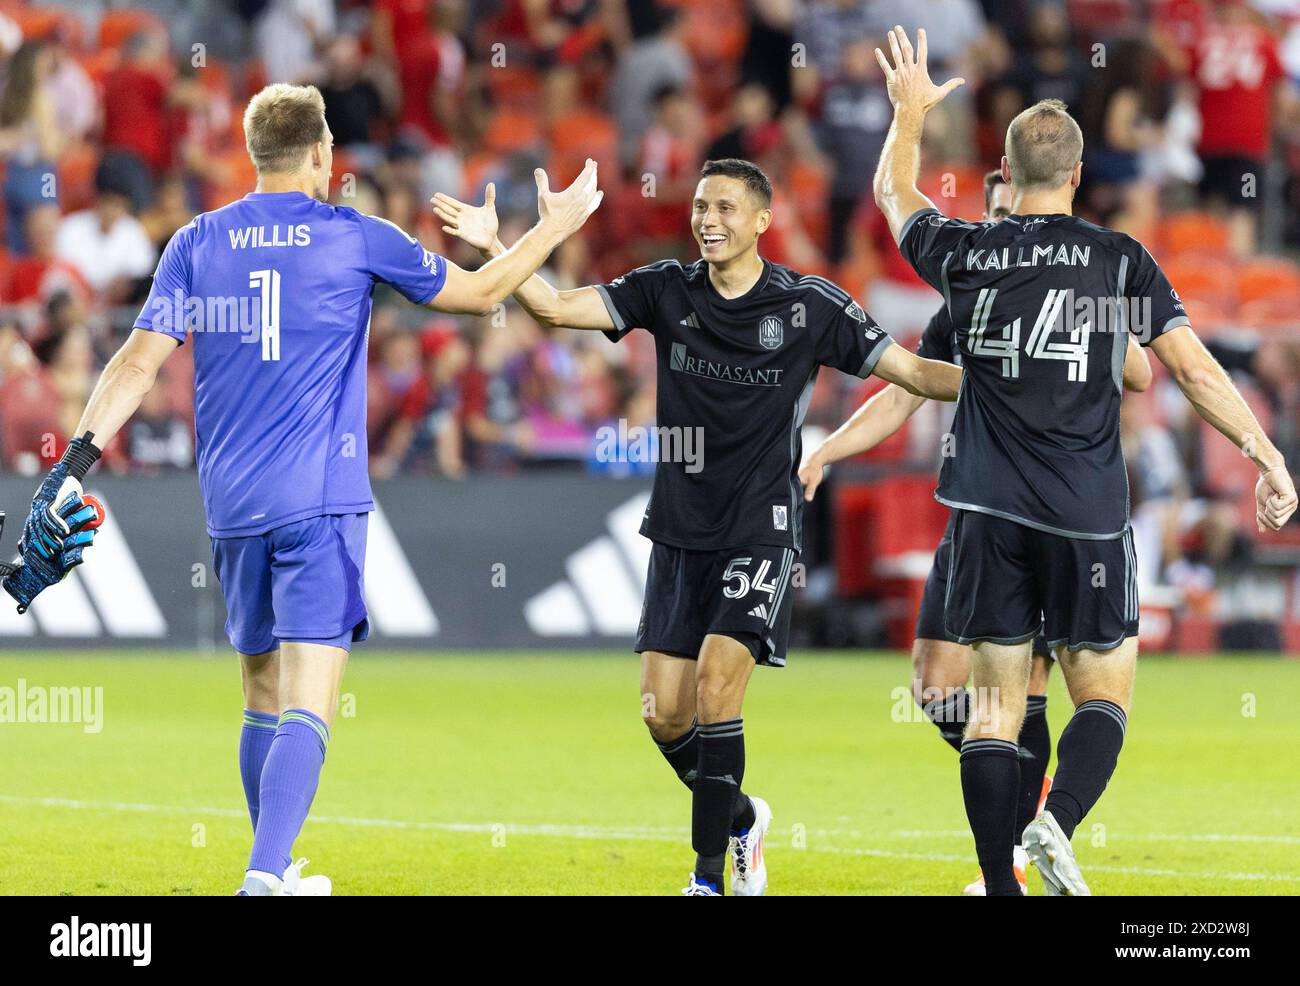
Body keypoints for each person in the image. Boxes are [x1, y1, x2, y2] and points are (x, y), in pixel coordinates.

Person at [15, 82, 603, 896]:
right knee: (310, 701)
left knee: (260, 687)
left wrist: (71, 464)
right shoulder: (356, 237)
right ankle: (262, 877)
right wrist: (554, 227)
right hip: (320, 500)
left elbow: (136, 365)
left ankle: (279, 866)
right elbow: (482, 294)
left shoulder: (196, 241)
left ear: (255, 155)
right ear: (324, 154)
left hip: (231, 507)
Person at [434, 157, 963, 895]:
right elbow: (555, 308)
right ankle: (743, 819)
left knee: (719, 691)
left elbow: (909, 373)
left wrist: (1010, 386)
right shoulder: (665, 290)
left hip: (761, 526)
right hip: (680, 531)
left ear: (759, 221)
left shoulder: (811, 305)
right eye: (700, 208)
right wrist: (500, 246)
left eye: (723, 209)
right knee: (664, 714)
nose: (707, 220)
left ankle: (708, 878)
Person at [870, 26, 1296, 896]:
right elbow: (1189, 368)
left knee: (991, 712)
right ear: (1077, 174)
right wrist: (1264, 452)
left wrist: (909, 112)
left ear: (1009, 170)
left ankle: (999, 885)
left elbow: (891, 191)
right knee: (1102, 697)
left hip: (987, 510)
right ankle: (1054, 826)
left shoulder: (969, 255)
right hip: (1088, 513)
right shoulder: (1119, 261)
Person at [802, 167, 1153, 894]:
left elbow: (1141, 369)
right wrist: (831, 447)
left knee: (1022, 689)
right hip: (980, 514)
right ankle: (1029, 812)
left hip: (1057, 511)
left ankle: (1014, 863)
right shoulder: (966, 301)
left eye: (1008, 214)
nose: (1002, 230)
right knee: (937, 688)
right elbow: (904, 388)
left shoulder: (1085, 281)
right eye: (992, 216)